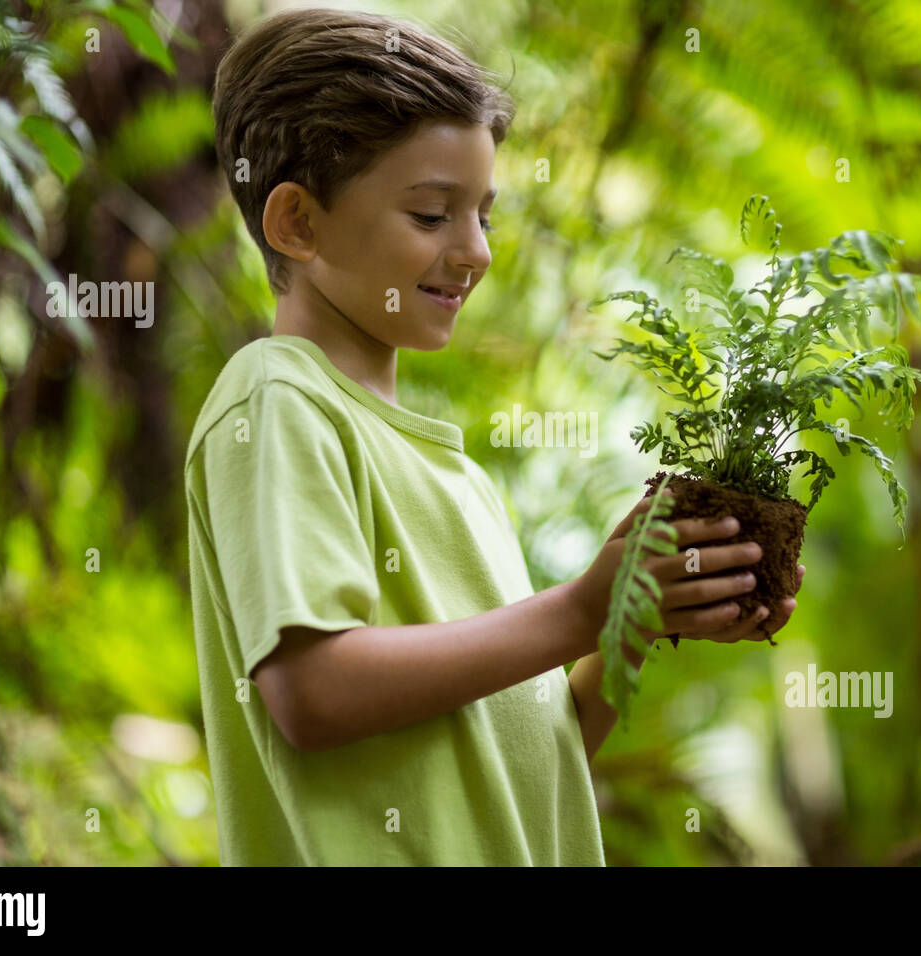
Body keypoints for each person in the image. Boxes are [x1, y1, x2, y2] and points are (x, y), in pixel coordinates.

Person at [185, 6, 801, 866]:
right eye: (433, 215)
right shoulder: (277, 399)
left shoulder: (461, 481)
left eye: (485, 215)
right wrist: (576, 608)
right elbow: (312, 692)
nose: (474, 252)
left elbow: (532, 762)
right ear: (298, 223)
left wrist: (625, 619)